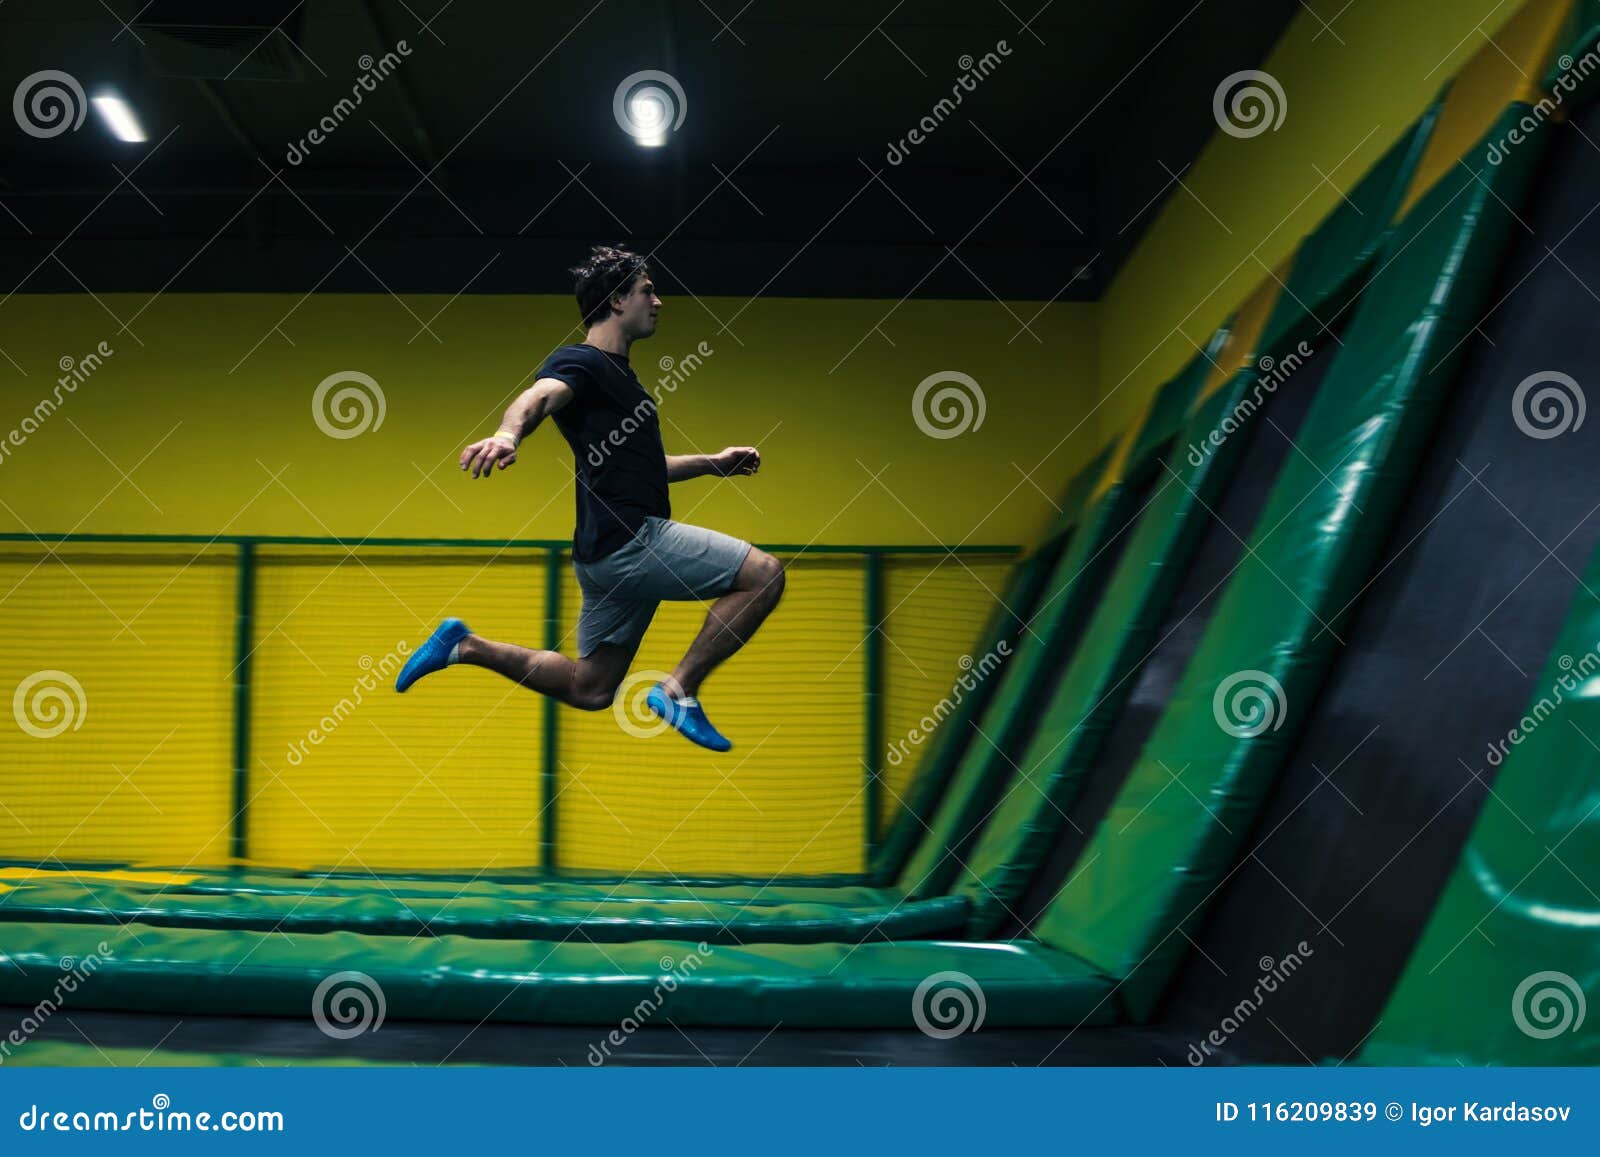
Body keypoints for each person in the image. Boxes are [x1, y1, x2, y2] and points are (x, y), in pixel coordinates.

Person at [393, 244, 783, 752]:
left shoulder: (624, 383)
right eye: (648, 291)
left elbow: (644, 469)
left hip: (602, 555)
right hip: (632, 538)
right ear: (618, 301)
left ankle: (464, 645)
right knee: (764, 575)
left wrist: (715, 464)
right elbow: (539, 396)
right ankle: (679, 689)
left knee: (591, 687)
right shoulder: (582, 361)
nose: (659, 302)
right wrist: (509, 435)